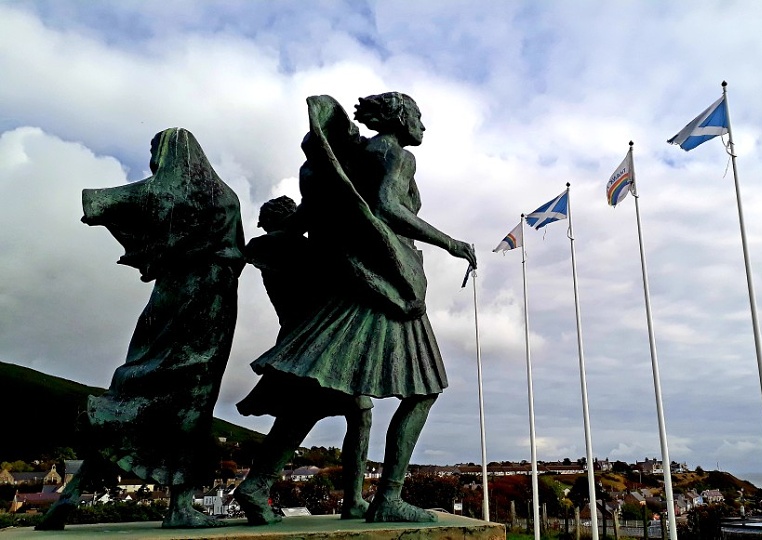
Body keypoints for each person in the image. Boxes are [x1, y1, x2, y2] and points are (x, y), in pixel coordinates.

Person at [235, 92, 475, 523]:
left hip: (354, 285)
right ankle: (389, 499)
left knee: (315, 395)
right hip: (387, 291)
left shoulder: (351, 158)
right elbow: (387, 207)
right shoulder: (394, 153)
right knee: (423, 391)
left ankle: (255, 487)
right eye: (418, 116)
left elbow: (311, 215)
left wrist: (271, 242)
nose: (423, 125)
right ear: (400, 117)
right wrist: (450, 242)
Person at [37, 128, 244, 530]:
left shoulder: (156, 192)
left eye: (155, 151)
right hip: (212, 301)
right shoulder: (225, 198)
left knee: (139, 388)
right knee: (193, 402)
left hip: (168, 300)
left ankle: (70, 496)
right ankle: (180, 506)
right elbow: (237, 254)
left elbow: (96, 203)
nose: (153, 159)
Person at [235, 196, 373, 524]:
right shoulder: (282, 248)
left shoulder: (277, 249)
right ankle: (351, 499)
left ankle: (256, 486)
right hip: (313, 348)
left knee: (301, 418)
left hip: (310, 347)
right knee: (355, 410)